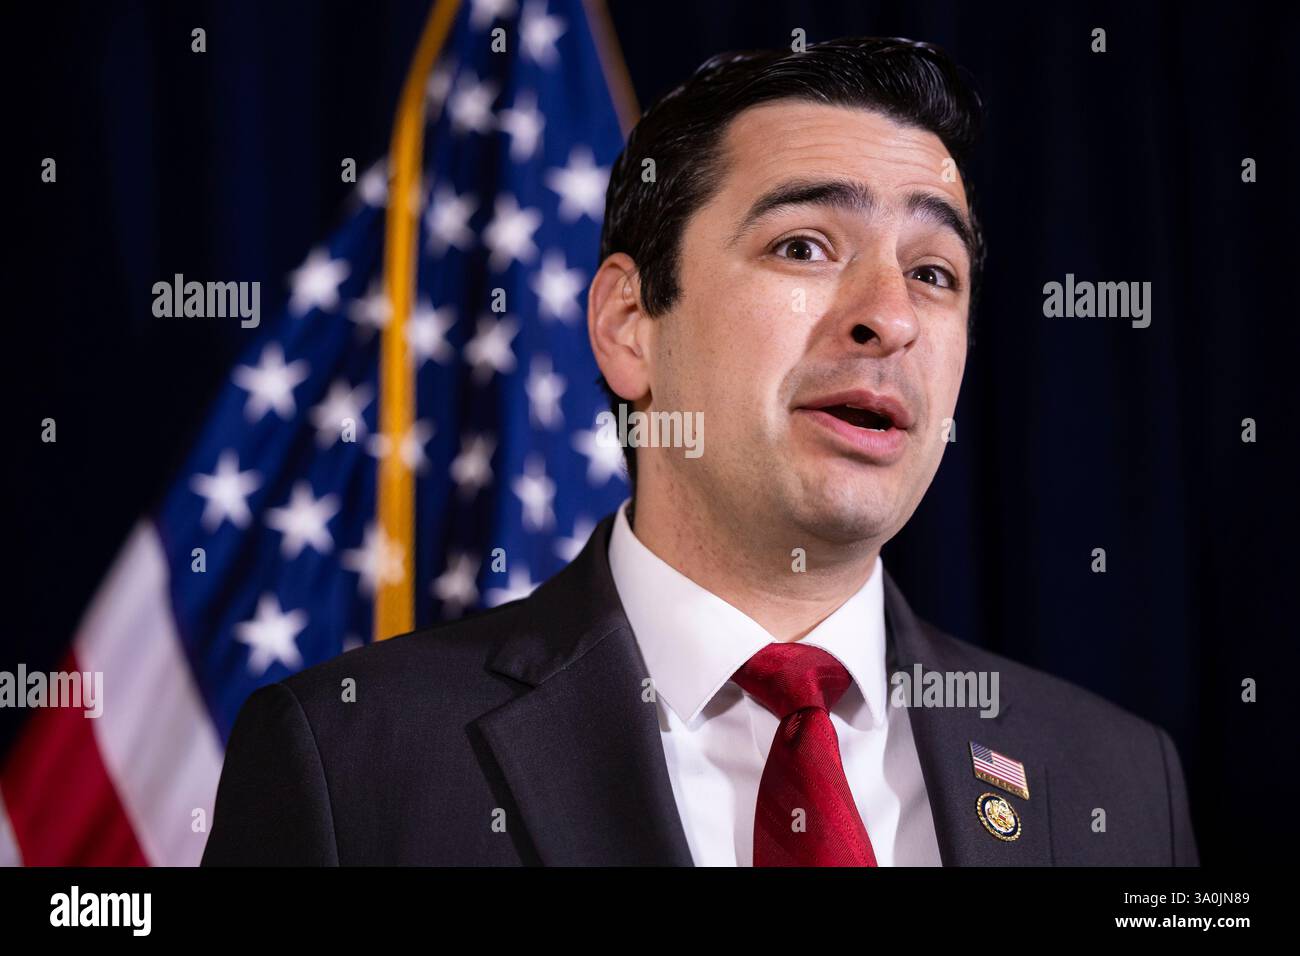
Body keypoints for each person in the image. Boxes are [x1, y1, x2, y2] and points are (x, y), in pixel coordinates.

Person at [201, 36, 1197, 866]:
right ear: (629, 323)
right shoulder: (349, 762)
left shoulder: (1115, 781)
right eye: (804, 246)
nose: (889, 317)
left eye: (932, 271)